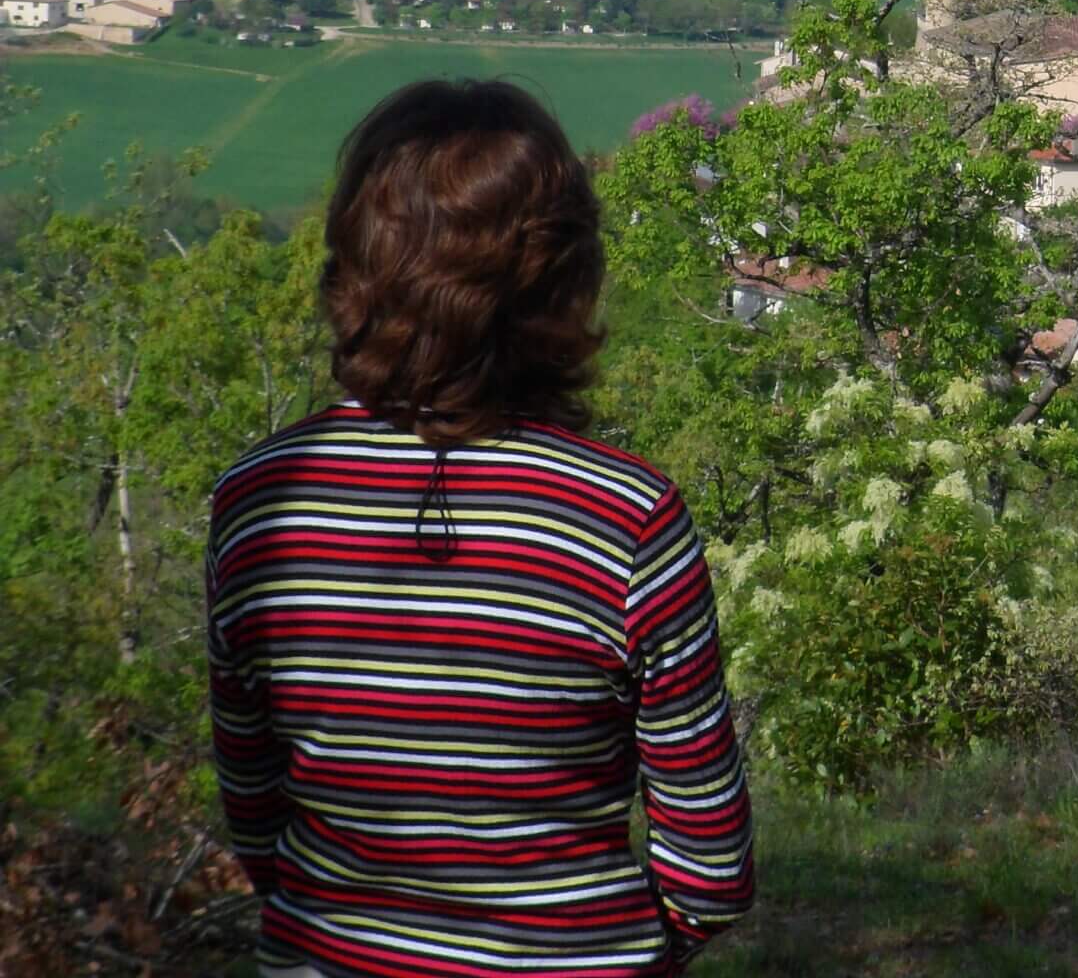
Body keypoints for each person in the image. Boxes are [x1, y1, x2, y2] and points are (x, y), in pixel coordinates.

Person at [205, 80, 754, 977]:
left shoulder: (256, 501)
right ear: (565, 281)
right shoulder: (627, 521)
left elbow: (256, 809)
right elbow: (710, 873)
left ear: (355, 268)